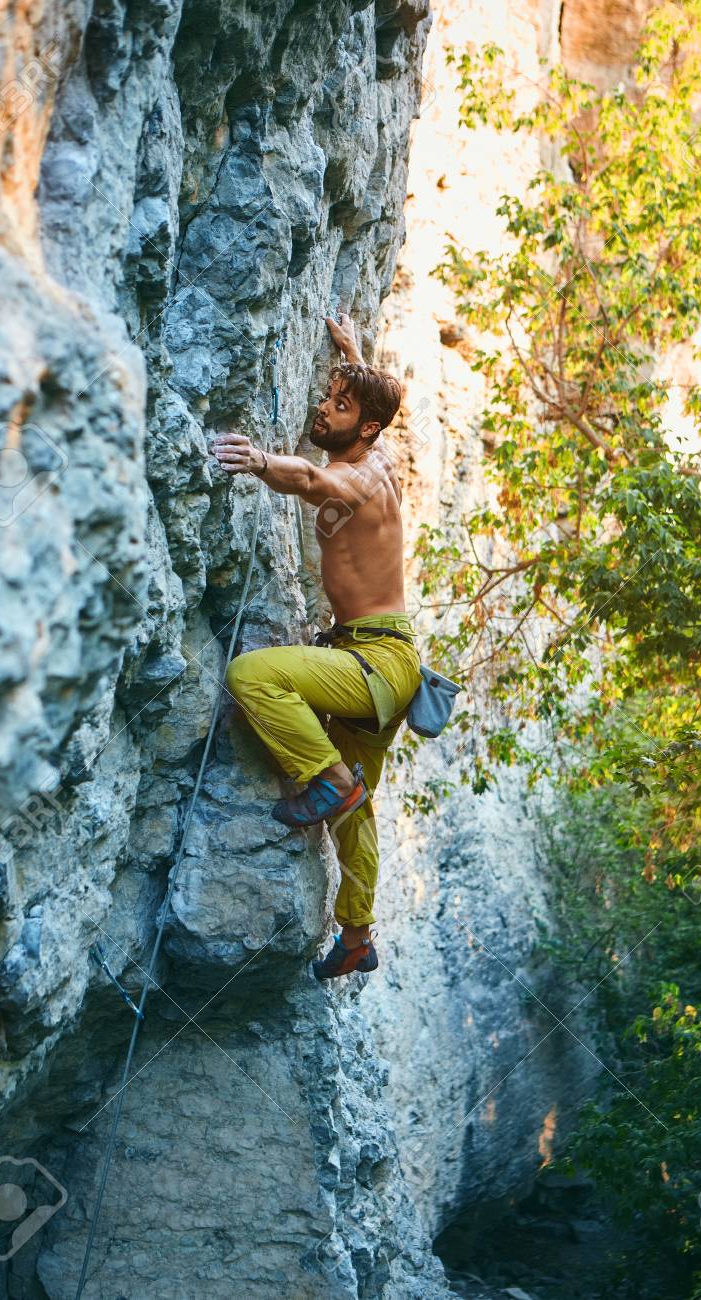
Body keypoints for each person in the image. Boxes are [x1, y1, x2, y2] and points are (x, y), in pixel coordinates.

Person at [212, 314, 420, 980]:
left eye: (340, 406)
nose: (322, 409)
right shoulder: (375, 451)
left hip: (374, 663)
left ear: (365, 431)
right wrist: (354, 355)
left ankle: (326, 780)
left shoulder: (359, 478)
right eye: (328, 398)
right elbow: (373, 419)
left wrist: (262, 461)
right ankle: (357, 935)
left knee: (252, 676)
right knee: (358, 809)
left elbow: (309, 482)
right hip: (387, 666)